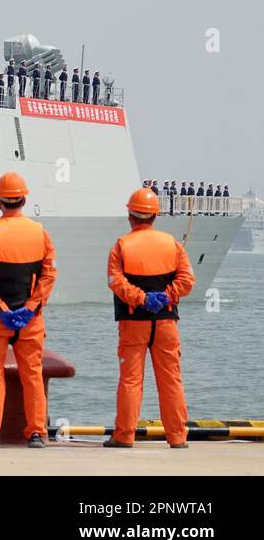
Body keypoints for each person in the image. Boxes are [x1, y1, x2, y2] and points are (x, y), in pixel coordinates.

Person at [0, 172, 57, 448]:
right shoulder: (40, 233)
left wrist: (0, 308)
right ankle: (37, 434)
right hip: (30, 321)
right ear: (24, 199)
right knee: (32, 375)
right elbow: (49, 274)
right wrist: (30, 308)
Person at [104, 187, 195, 449]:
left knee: (131, 381)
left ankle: (124, 436)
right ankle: (177, 438)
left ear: (130, 216)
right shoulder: (173, 244)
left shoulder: (121, 246)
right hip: (166, 323)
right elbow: (187, 280)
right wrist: (166, 296)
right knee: (171, 380)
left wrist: (141, 298)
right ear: (155, 215)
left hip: (134, 323)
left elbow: (115, 282)